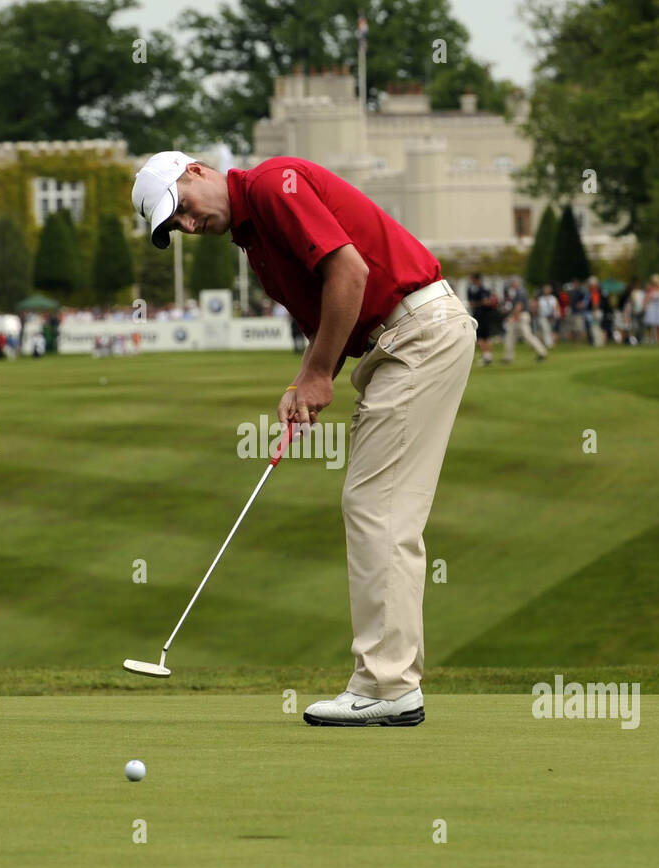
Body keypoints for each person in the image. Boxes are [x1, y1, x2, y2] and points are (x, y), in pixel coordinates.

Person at [133, 151, 476, 726]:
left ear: (195, 171)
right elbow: (329, 315)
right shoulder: (254, 240)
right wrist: (307, 379)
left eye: (183, 211)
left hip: (417, 333)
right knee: (377, 506)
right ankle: (387, 684)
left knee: (377, 507)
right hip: (398, 342)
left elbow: (351, 272)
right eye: (176, 227)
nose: (189, 227)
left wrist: (318, 376)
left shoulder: (271, 183)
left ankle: (389, 687)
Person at [501, 275, 547, 364]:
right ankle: (508, 357)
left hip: (520, 316)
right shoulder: (520, 291)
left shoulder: (520, 291)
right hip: (519, 316)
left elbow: (519, 306)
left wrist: (514, 317)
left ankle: (542, 352)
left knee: (526, 336)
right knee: (510, 336)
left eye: (512, 282)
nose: (511, 284)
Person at [466, 272, 498, 366]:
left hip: (485, 315)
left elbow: (486, 302)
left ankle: (487, 356)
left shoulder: (483, 289)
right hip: (477, 315)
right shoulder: (471, 289)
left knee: (485, 336)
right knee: (480, 337)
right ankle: (486, 356)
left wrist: (476, 303)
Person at [536, 283, 559, 348]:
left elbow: (556, 307)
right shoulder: (541, 299)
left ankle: (550, 342)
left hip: (552, 316)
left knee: (550, 330)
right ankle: (548, 344)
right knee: (546, 329)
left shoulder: (553, 298)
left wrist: (556, 315)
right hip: (543, 316)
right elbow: (538, 307)